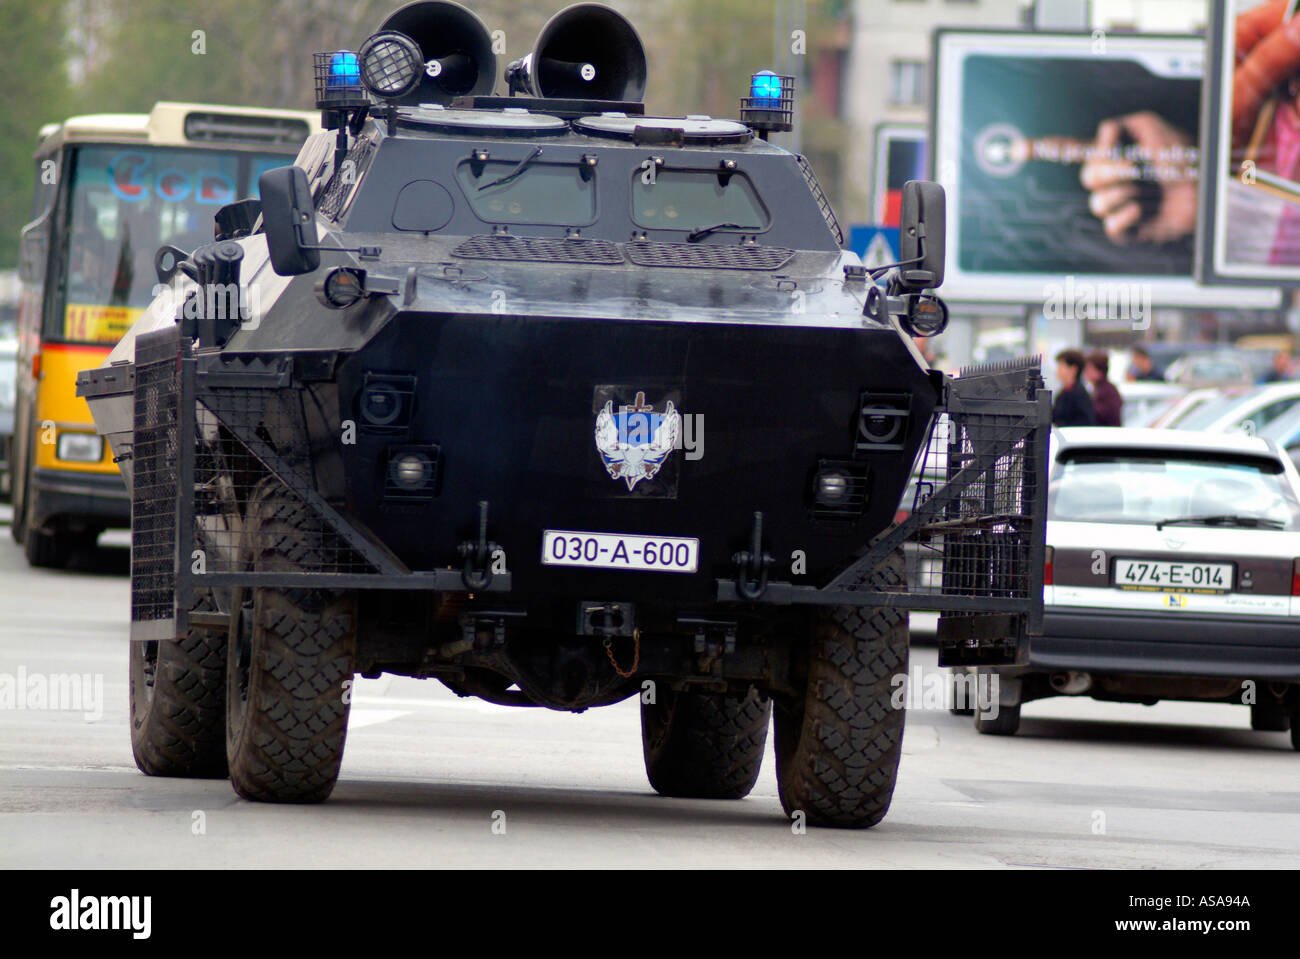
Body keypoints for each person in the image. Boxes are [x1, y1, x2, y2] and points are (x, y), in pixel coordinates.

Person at [1053, 349, 1096, 427]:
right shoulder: (1063, 391)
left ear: (1073, 369)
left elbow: (1085, 421)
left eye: (1061, 366)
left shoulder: (1079, 394)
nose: (1057, 370)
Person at [1085, 350, 1122, 426]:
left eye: (1089, 368)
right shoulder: (1096, 389)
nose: (1086, 372)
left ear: (1100, 371)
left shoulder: (1108, 391)